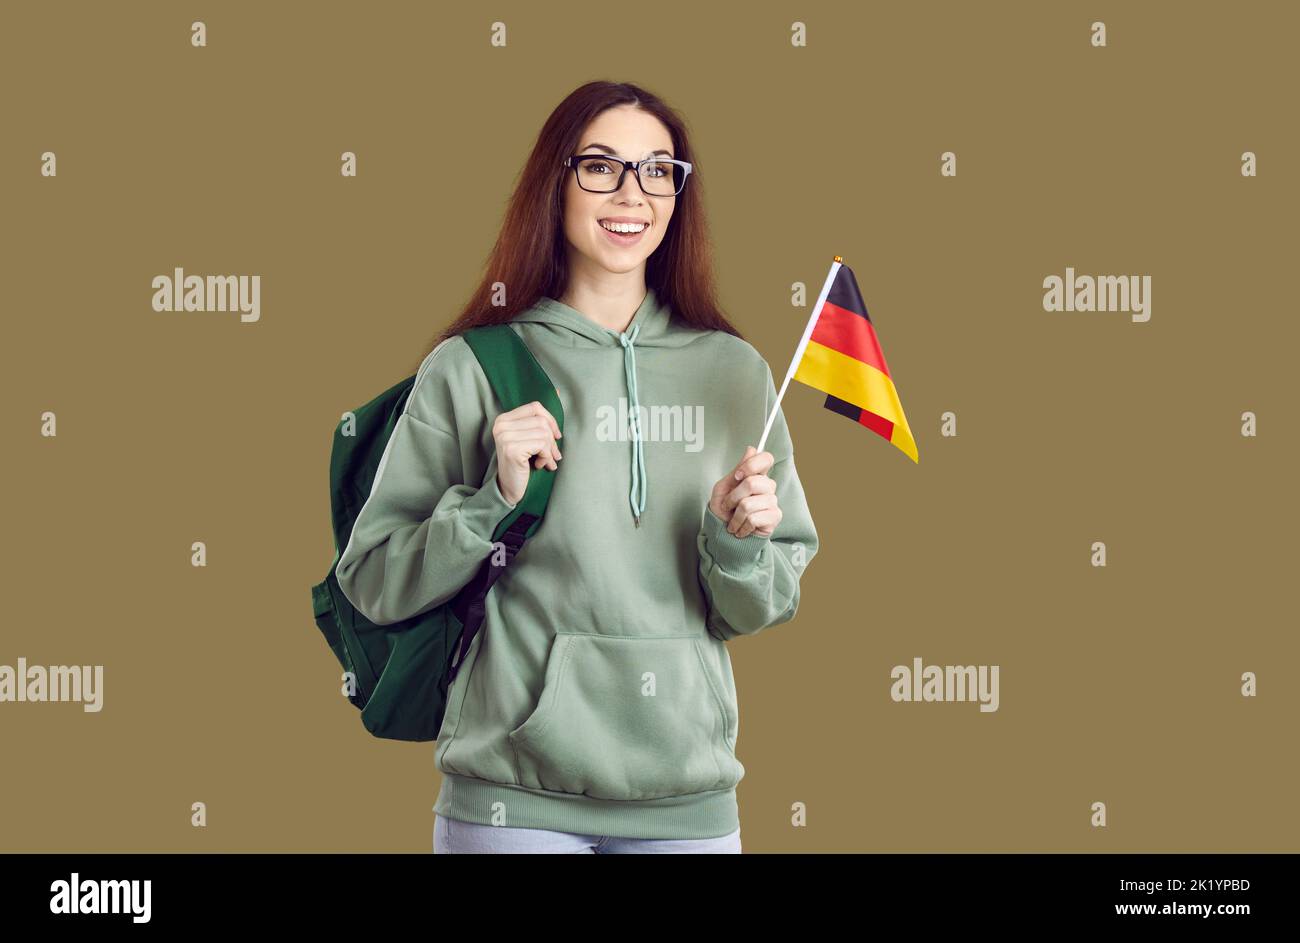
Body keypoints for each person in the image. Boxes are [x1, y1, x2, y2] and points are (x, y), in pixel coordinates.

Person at [336, 80, 819, 854]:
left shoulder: (737, 374)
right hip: (510, 799)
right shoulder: (473, 366)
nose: (633, 193)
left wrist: (736, 546)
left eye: (658, 170)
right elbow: (373, 580)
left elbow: (755, 607)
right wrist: (487, 501)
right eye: (601, 166)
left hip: (690, 800)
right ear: (553, 183)